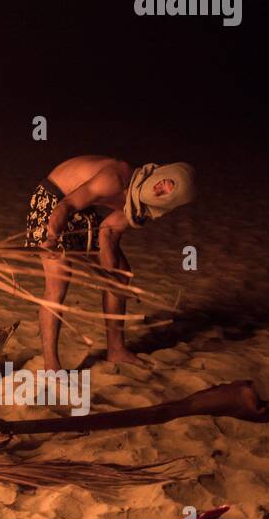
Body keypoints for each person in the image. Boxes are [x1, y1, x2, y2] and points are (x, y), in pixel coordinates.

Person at [24, 156, 195, 370]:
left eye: (166, 194)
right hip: (54, 200)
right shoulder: (116, 177)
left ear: (168, 203)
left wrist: (110, 276)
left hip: (81, 209)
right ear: (160, 174)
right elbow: (66, 205)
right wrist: (51, 237)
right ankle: (51, 364)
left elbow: (108, 233)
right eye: (163, 183)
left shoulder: (142, 207)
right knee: (59, 280)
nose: (159, 190)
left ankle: (116, 350)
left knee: (121, 274)